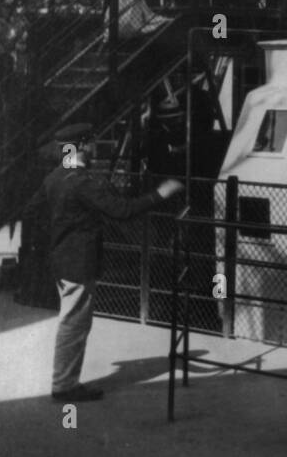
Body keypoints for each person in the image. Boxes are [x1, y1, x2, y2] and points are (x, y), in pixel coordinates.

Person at [32, 123, 184, 400]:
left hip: (61, 259)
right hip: (79, 263)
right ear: (80, 147)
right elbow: (122, 210)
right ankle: (64, 385)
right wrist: (161, 193)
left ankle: (64, 381)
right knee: (74, 325)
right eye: (90, 144)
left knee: (72, 321)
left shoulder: (54, 178)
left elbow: (39, 214)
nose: (94, 149)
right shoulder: (81, 183)